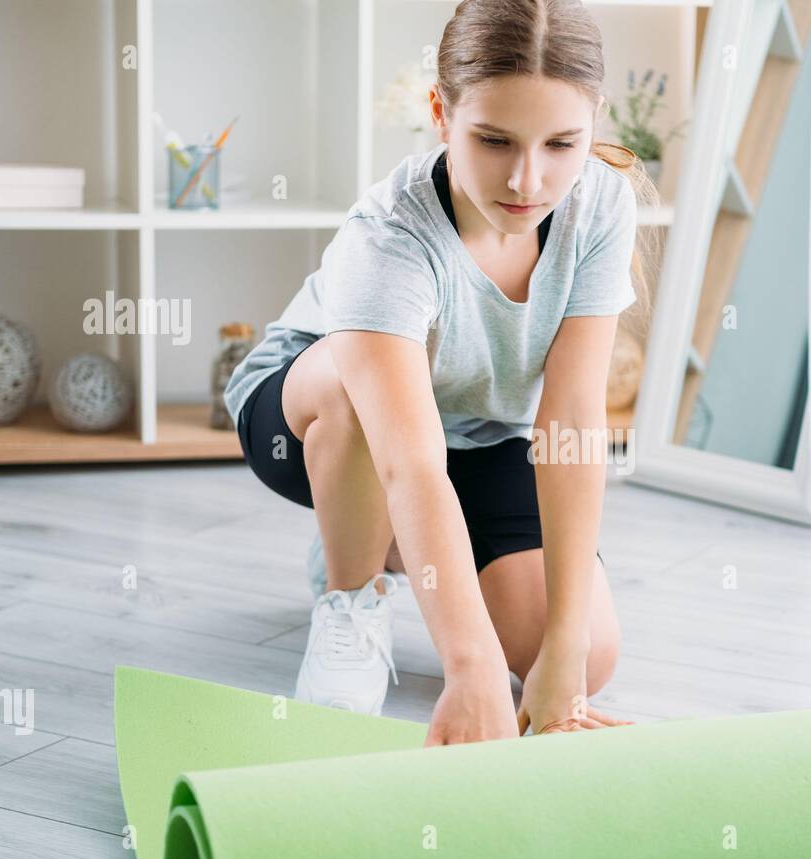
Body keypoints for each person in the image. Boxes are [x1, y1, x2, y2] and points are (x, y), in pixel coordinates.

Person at [223, 0, 659, 746]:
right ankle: (351, 594)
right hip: (321, 418)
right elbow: (414, 463)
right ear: (441, 113)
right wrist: (472, 666)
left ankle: (378, 538)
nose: (528, 178)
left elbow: (572, 423)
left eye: (562, 143)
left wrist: (563, 648)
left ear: (594, 120)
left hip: (487, 438)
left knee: (592, 652)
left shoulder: (601, 205)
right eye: (494, 140)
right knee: (358, 404)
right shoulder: (388, 235)